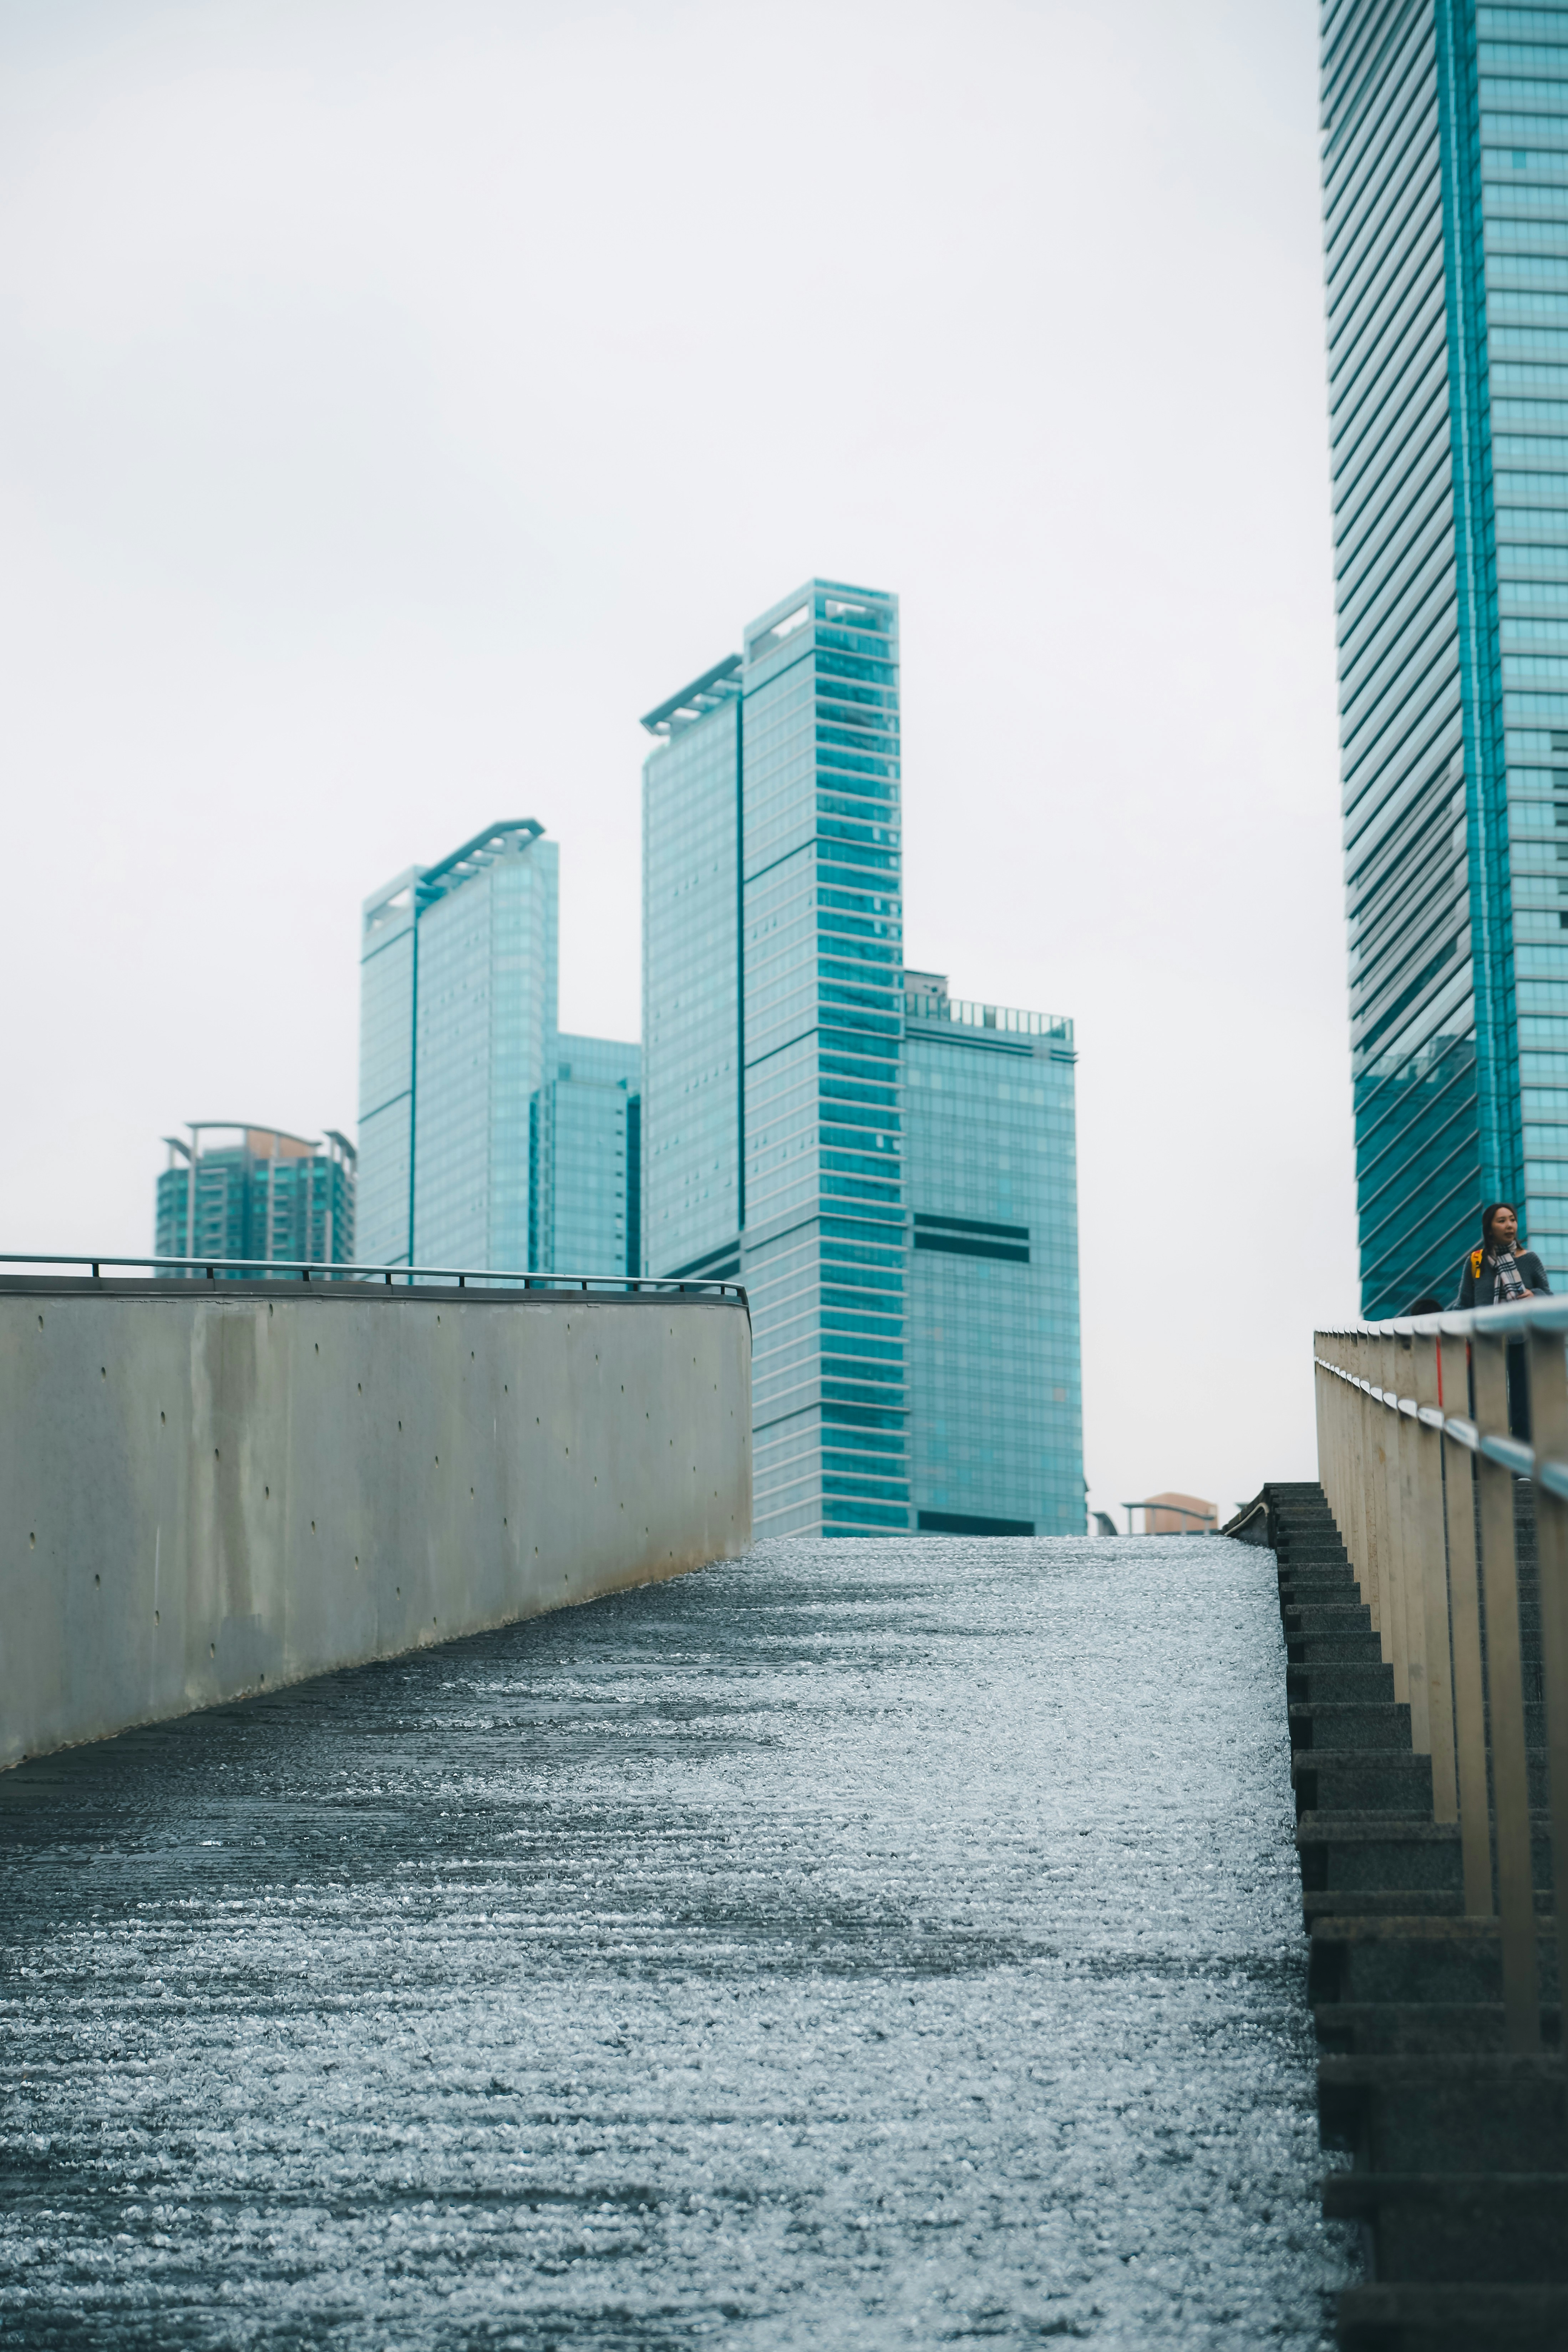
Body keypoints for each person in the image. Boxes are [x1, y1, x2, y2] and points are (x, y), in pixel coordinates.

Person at [1452, 1203, 1551, 1309]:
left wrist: (1535, 1296)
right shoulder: (1477, 1260)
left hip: (1521, 1324)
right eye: (1502, 1221)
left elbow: (1549, 1297)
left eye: (1513, 1220)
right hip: (1486, 1324)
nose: (1509, 1225)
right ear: (1489, 1230)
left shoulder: (1530, 1259)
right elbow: (1463, 1305)